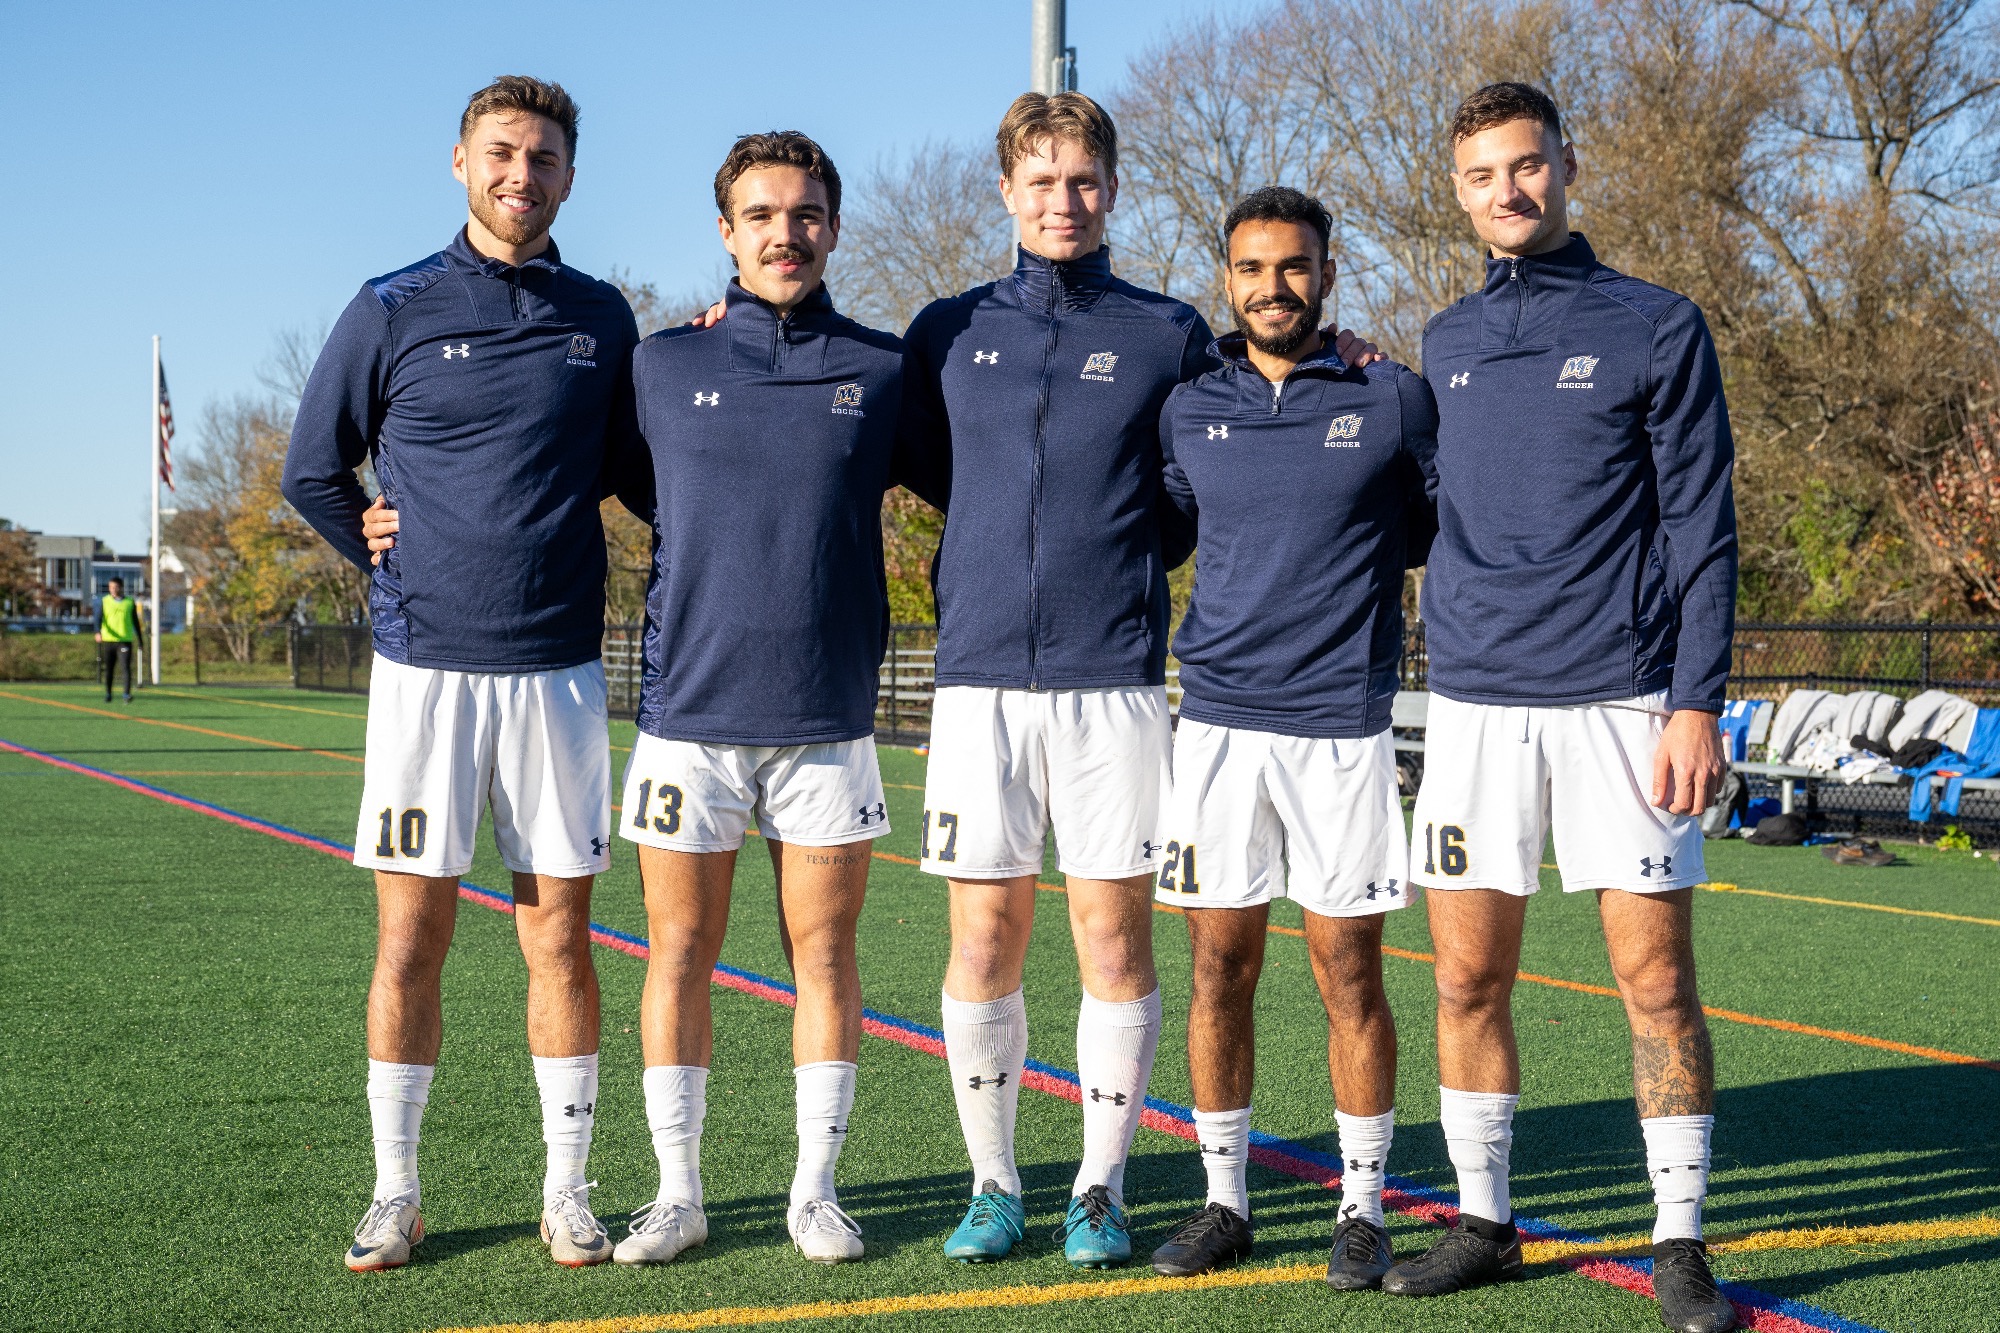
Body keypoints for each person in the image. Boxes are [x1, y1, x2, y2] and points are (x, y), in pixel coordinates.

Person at [1383, 83, 1739, 1333]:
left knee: (1653, 979)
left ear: (1566, 167)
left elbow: (1701, 527)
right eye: (1482, 175)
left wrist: (1693, 700)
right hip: (1474, 708)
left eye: (1525, 166)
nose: (1507, 192)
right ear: (1458, 190)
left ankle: (1679, 1241)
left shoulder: (1655, 326)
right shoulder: (1442, 343)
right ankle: (1486, 1220)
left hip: (1623, 703)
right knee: (1467, 977)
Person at [281, 75, 641, 1272]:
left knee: (561, 941)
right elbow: (311, 470)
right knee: (410, 939)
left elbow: (650, 466)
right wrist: (370, 537)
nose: (519, 176)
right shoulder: (390, 304)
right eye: (500, 154)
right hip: (424, 671)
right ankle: (395, 1191)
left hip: (555, 671)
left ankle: (570, 1190)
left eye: (542, 159)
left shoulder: (604, 316)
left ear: (568, 176)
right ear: (459, 162)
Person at [606, 131, 909, 1269]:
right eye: (762, 214)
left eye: (806, 212)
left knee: (823, 960)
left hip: (827, 721)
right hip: (688, 719)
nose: (786, 232)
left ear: (832, 226)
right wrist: (383, 517)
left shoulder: (882, 371)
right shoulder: (658, 366)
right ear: (725, 231)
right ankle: (675, 1193)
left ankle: (813, 1193)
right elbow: (567, 472)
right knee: (677, 953)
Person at [1144, 188, 1436, 1290]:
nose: (1275, 285)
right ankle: (1223, 1199)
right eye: (1252, 267)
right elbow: (1161, 527)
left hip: (1341, 728)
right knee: (1218, 964)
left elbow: (1439, 526)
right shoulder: (1186, 406)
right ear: (1226, 277)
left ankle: (1360, 1207)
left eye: (1295, 266)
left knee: (1346, 970)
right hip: (1215, 723)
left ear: (1327, 270)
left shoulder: (1390, 394)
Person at [95, 577, 143, 703]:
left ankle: (126, 694)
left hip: (124, 640)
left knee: (125, 667)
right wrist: (97, 632)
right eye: (111, 587)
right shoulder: (105, 601)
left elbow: (135, 622)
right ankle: (108, 693)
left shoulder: (129, 602)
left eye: (115, 587)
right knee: (109, 668)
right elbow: (98, 619)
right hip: (109, 640)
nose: (113, 590)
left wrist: (140, 639)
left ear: (121, 587)